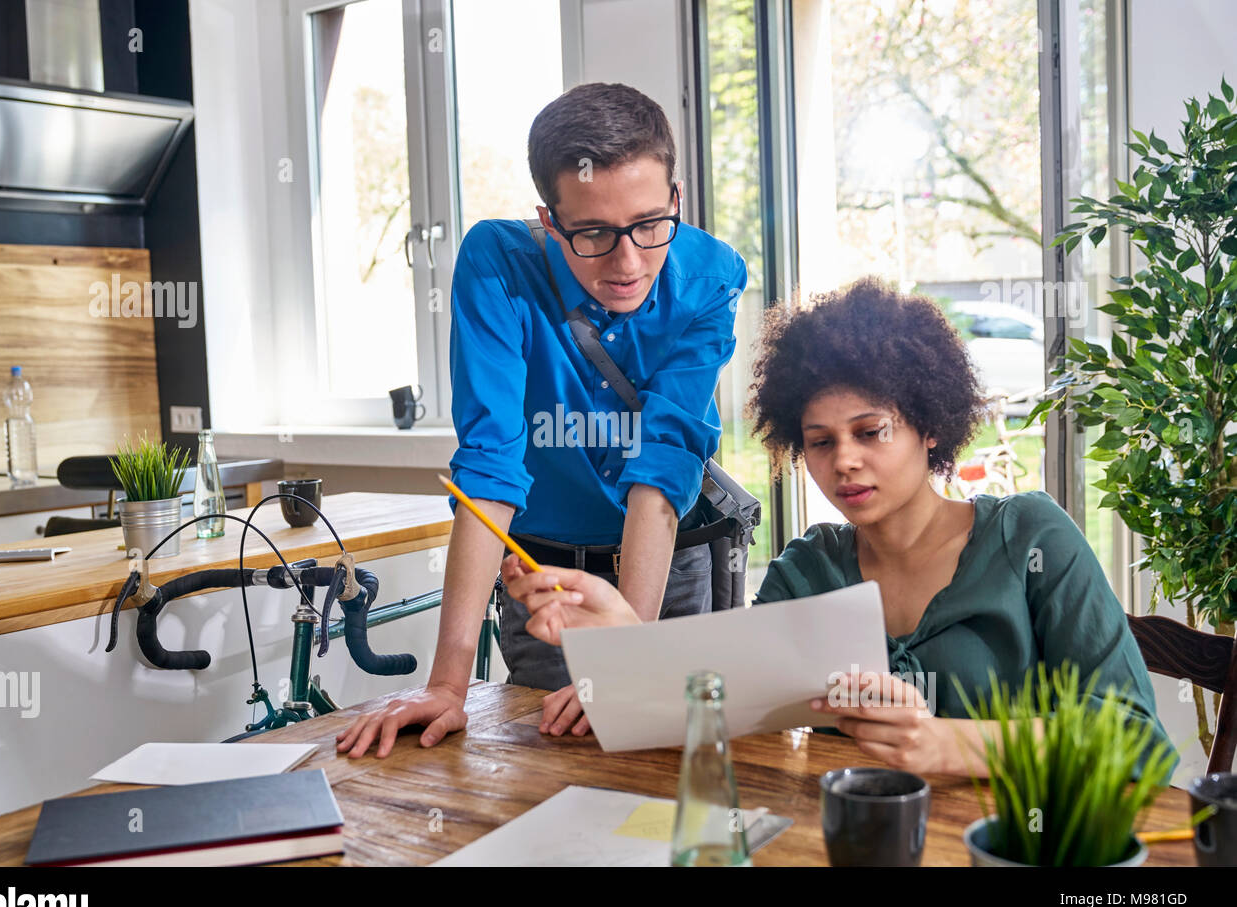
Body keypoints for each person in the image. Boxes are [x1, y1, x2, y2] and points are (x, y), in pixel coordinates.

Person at [500, 277, 1177, 777]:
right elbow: (718, 704)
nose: (844, 460)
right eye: (819, 441)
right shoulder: (809, 569)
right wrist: (622, 633)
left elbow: (1140, 743)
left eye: (871, 431)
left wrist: (950, 743)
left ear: (929, 425)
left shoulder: (1033, 539)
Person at [337, 83, 747, 759]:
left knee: (676, 776)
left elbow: (665, 462)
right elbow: (492, 462)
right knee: (551, 784)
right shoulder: (498, 263)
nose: (629, 263)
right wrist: (448, 685)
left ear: (676, 200)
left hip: (667, 575)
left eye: (650, 225)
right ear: (550, 220)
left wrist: (627, 655)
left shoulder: (710, 276)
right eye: (593, 233)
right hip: (544, 581)